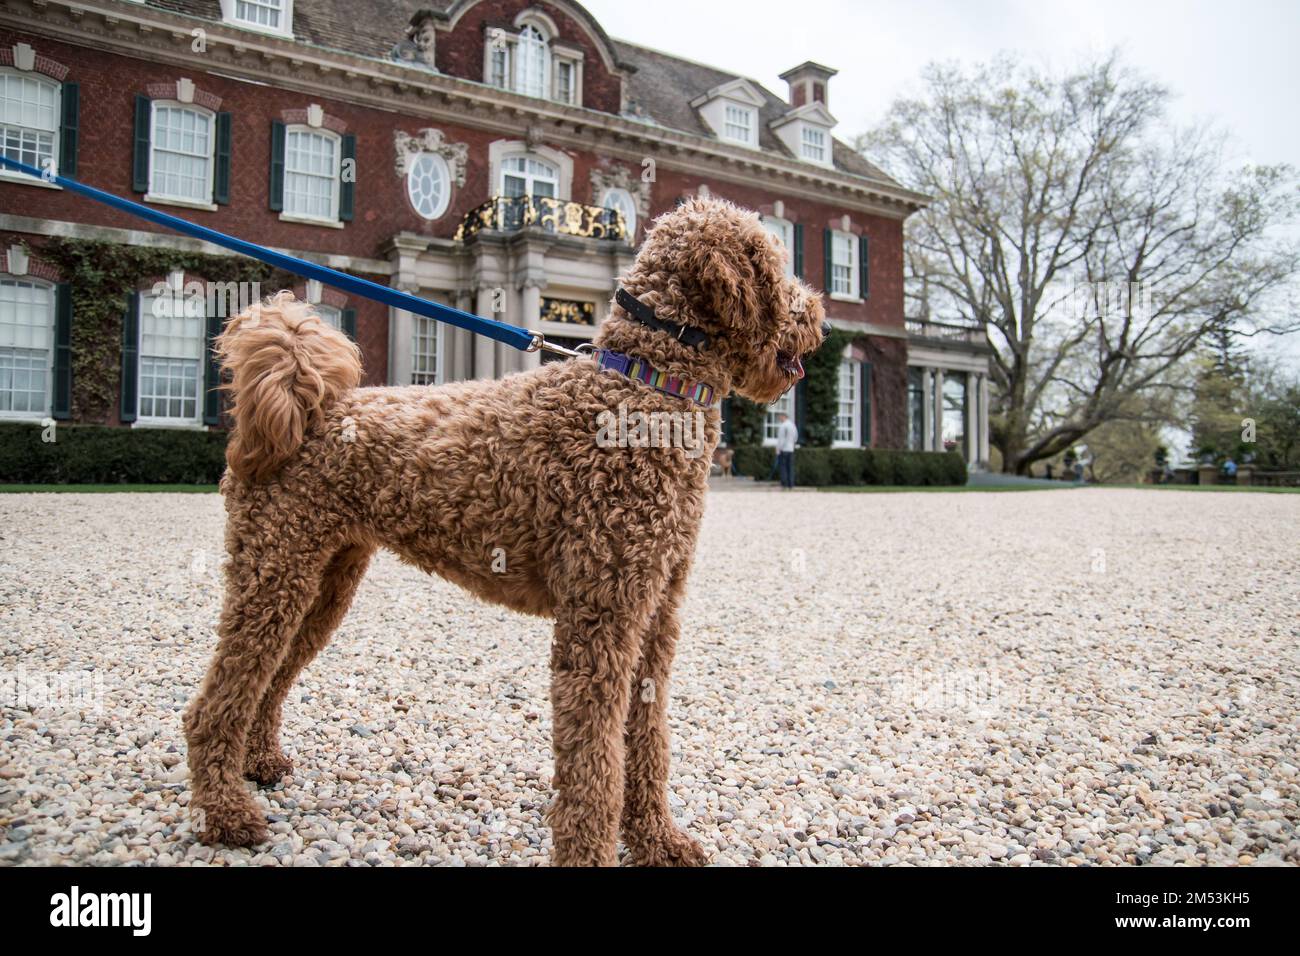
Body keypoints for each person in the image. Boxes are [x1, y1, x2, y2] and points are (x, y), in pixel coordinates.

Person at [775, 412, 798, 489]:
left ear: (783, 417)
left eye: (780, 417)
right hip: (791, 449)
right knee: (790, 467)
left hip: (784, 449)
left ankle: (784, 484)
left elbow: (781, 439)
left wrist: (778, 449)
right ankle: (791, 484)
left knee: (783, 467)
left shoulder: (783, 426)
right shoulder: (792, 425)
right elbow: (795, 437)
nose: (779, 419)